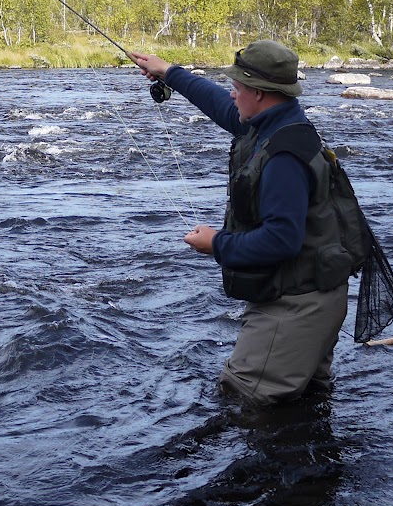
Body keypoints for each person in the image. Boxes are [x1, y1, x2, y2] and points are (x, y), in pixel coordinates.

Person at [129, 40, 363, 406]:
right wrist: (169, 72)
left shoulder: (283, 156)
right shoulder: (278, 124)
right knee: (303, 409)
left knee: (243, 404)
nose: (232, 94)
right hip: (313, 294)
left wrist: (216, 243)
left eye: (237, 87)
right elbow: (222, 107)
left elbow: (281, 240)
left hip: (296, 306)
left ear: (258, 93)